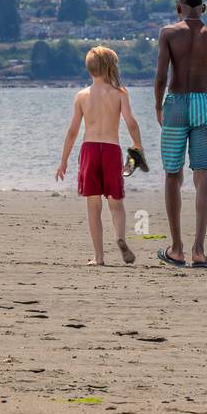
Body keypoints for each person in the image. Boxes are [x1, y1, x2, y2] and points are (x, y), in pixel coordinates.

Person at [154, 0, 207, 268]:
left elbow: (161, 76)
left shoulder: (168, 34)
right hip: (203, 104)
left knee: (172, 176)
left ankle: (176, 249)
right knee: (203, 178)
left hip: (175, 103)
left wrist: (158, 105)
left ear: (178, 8)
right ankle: (199, 250)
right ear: (202, 8)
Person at [55, 45, 143, 266]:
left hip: (90, 150)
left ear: (89, 70)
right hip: (111, 149)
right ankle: (120, 238)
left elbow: (73, 131)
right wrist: (137, 145)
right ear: (110, 67)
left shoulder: (82, 96)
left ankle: (99, 257)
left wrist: (64, 160)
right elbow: (131, 122)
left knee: (93, 208)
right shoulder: (120, 93)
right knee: (116, 204)